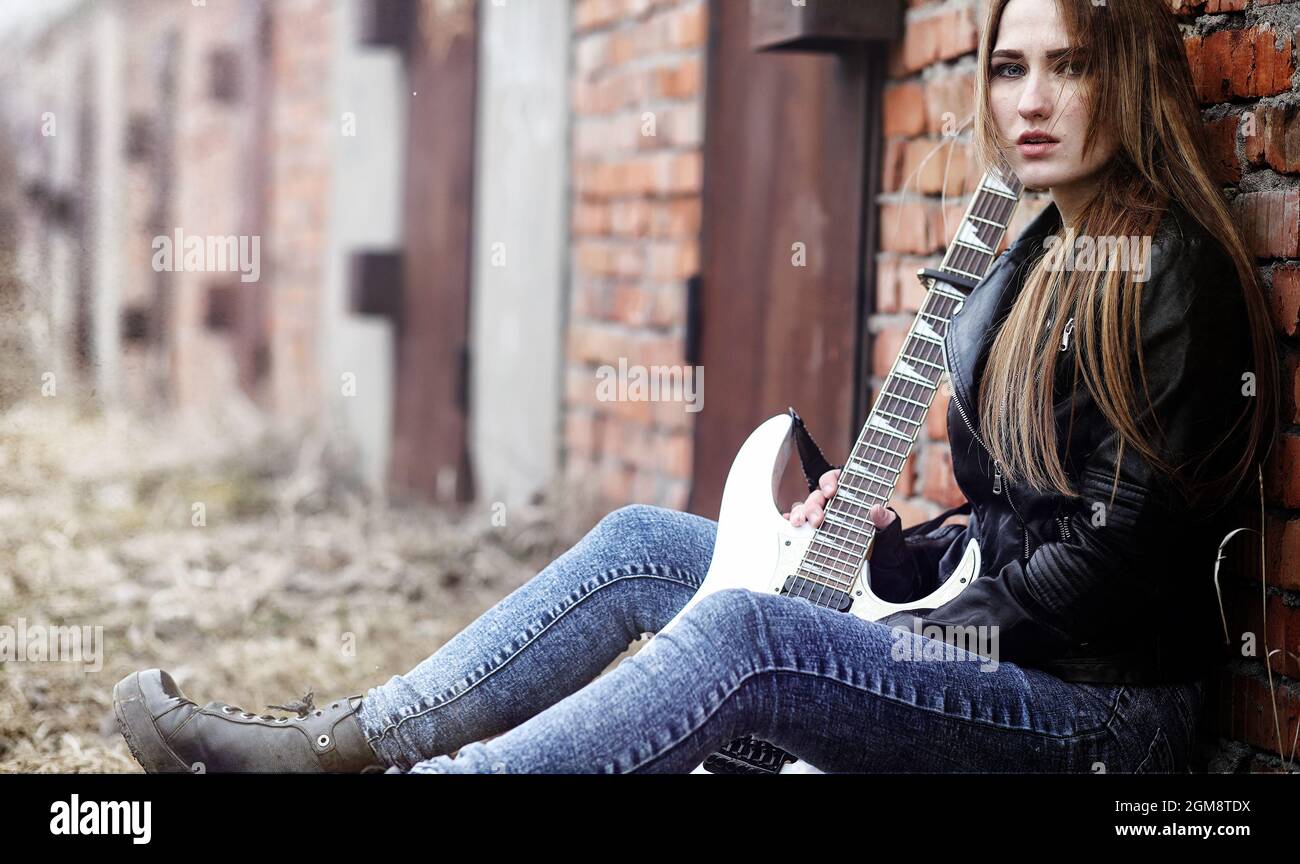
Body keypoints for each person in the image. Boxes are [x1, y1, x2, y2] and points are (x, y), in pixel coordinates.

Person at [113, 0, 1276, 774]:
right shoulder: (1025, 259)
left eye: (1068, 67)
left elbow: (1119, 562)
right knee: (637, 546)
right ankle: (338, 743)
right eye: (1010, 67)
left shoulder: (1166, 265)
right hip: (1007, 648)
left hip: (1107, 715)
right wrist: (891, 557)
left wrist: (916, 629)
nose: (1029, 100)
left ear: (1123, 76)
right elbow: (1019, 525)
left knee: (750, 636)